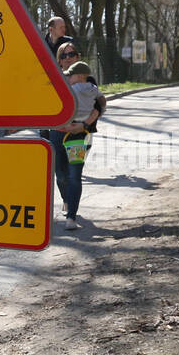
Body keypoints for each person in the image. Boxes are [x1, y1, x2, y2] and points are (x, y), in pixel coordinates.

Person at [57, 60, 105, 231]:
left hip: (77, 134)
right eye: (65, 55)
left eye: (71, 75)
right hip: (65, 133)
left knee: (74, 174)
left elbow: (101, 104)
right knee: (62, 174)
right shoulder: (90, 87)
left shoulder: (77, 87)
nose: (69, 77)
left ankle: (71, 216)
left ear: (78, 76)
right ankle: (68, 204)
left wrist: (83, 125)